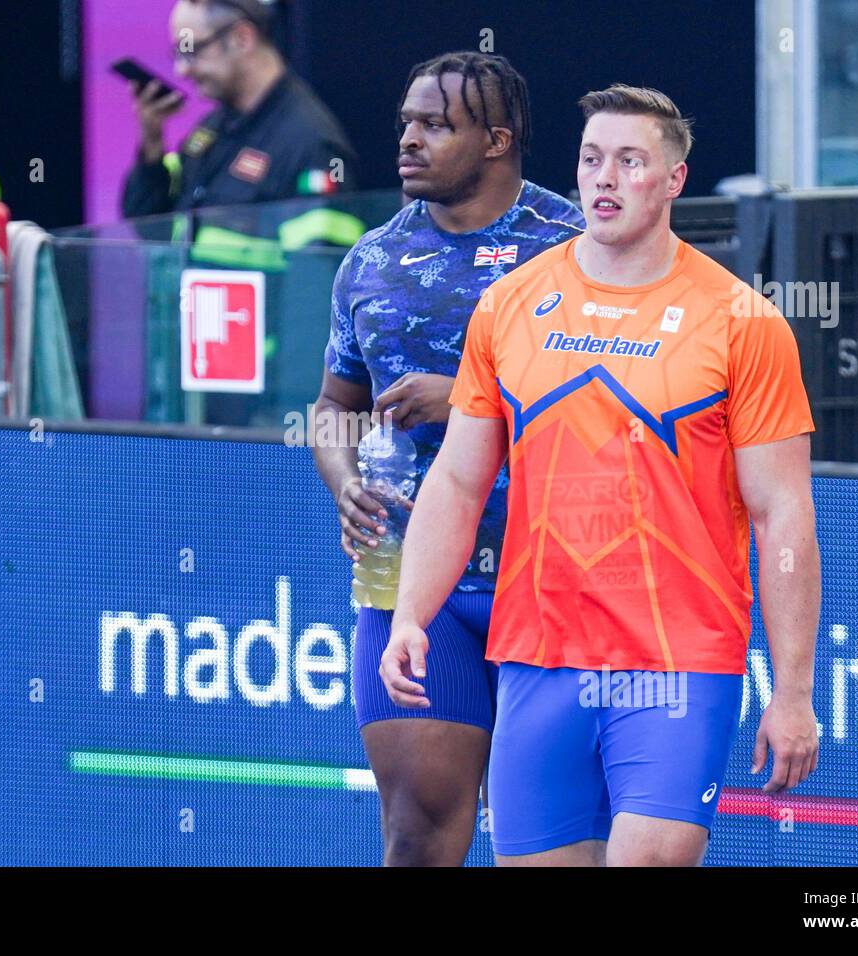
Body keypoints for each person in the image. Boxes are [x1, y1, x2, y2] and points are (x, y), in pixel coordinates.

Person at [380, 84, 821, 867]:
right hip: (539, 660)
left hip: (678, 664)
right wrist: (412, 609)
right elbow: (456, 480)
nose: (605, 178)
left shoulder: (744, 322)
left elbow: (782, 513)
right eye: (591, 160)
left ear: (674, 180)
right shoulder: (511, 304)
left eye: (629, 161)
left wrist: (793, 693)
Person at [312, 52, 583, 866]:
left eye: (437, 125)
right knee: (418, 834)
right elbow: (334, 408)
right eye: (407, 122)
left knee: (558, 840)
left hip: (555, 575)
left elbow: (628, 409)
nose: (409, 139)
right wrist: (344, 479)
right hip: (410, 580)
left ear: (499, 139)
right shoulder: (372, 259)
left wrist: (476, 396)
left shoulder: (574, 248)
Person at [122, 0, 358, 220]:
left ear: (242, 38)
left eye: (192, 51)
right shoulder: (209, 130)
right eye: (178, 54)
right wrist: (151, 143)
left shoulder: (312, 144)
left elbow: (322, 259)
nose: (181, 70)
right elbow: (147, 221)